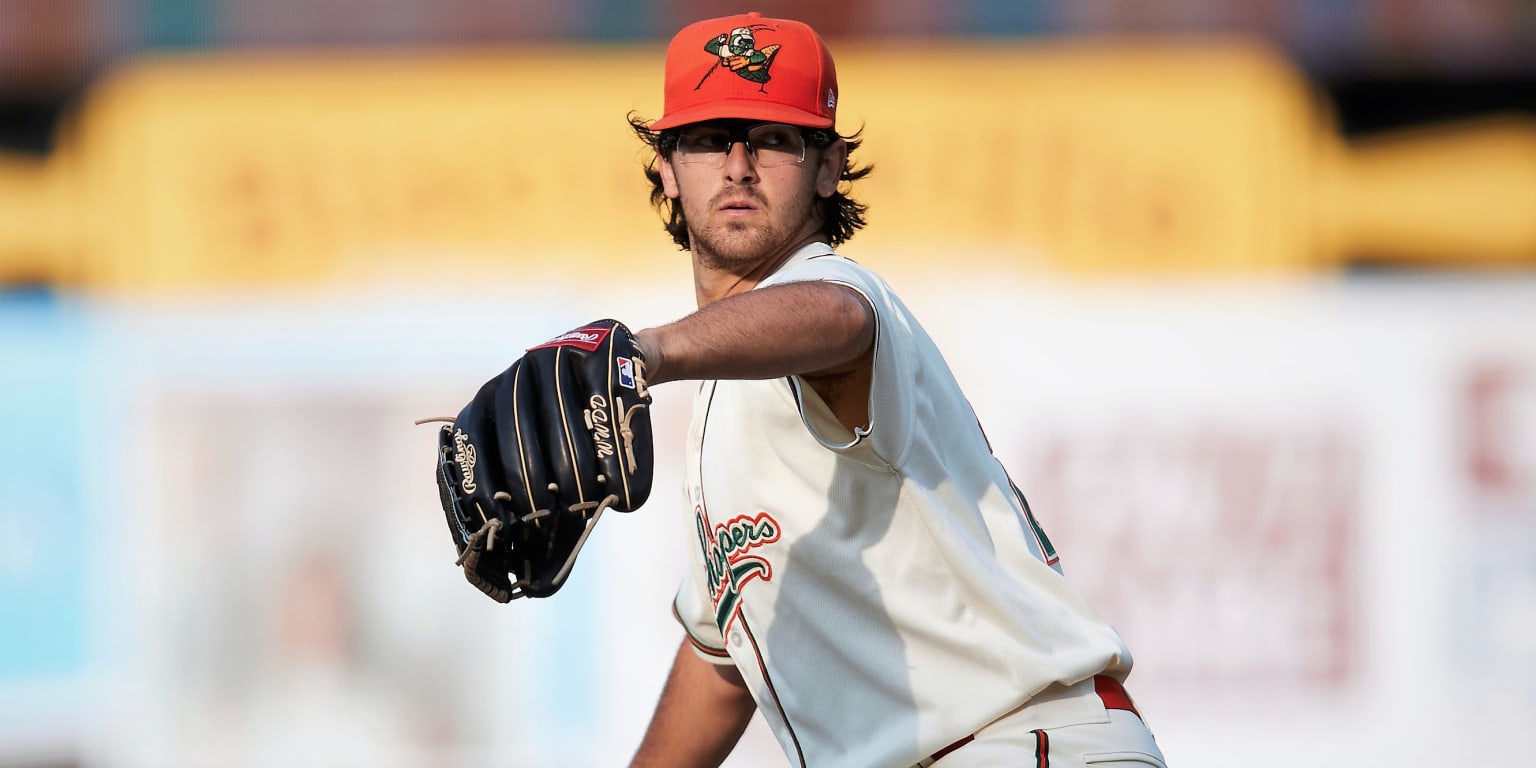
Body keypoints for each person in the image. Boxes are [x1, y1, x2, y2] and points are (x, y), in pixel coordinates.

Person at [623, 12, 1166, 768]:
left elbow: (838, 322)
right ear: (666, 168)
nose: (739, 165)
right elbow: (722, 657)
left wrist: (640, 353)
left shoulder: (826, 290)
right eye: (711, 138)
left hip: (1016, 742)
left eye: (775, 138)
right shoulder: (725, 401)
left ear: (828, 165)